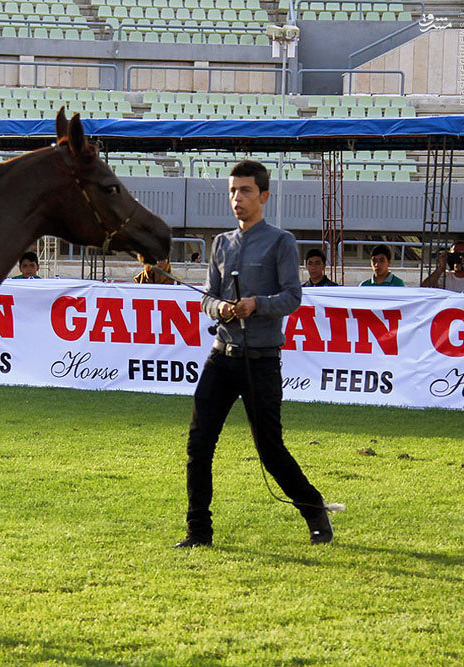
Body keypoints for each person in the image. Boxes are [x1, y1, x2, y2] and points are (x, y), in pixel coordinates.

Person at [175, 160, 331, 549]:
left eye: (244, 191)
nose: (236, 199)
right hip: (220, 356)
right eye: (231, 191)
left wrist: (255, 304)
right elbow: (206, 299)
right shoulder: (220, 244)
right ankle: (198, 531)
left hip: (261, 359)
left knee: (270, 449)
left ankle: (314, 509)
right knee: (198, 444)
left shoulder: (281, 241)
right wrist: (222, 309)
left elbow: (292, 298)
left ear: (263, 195)